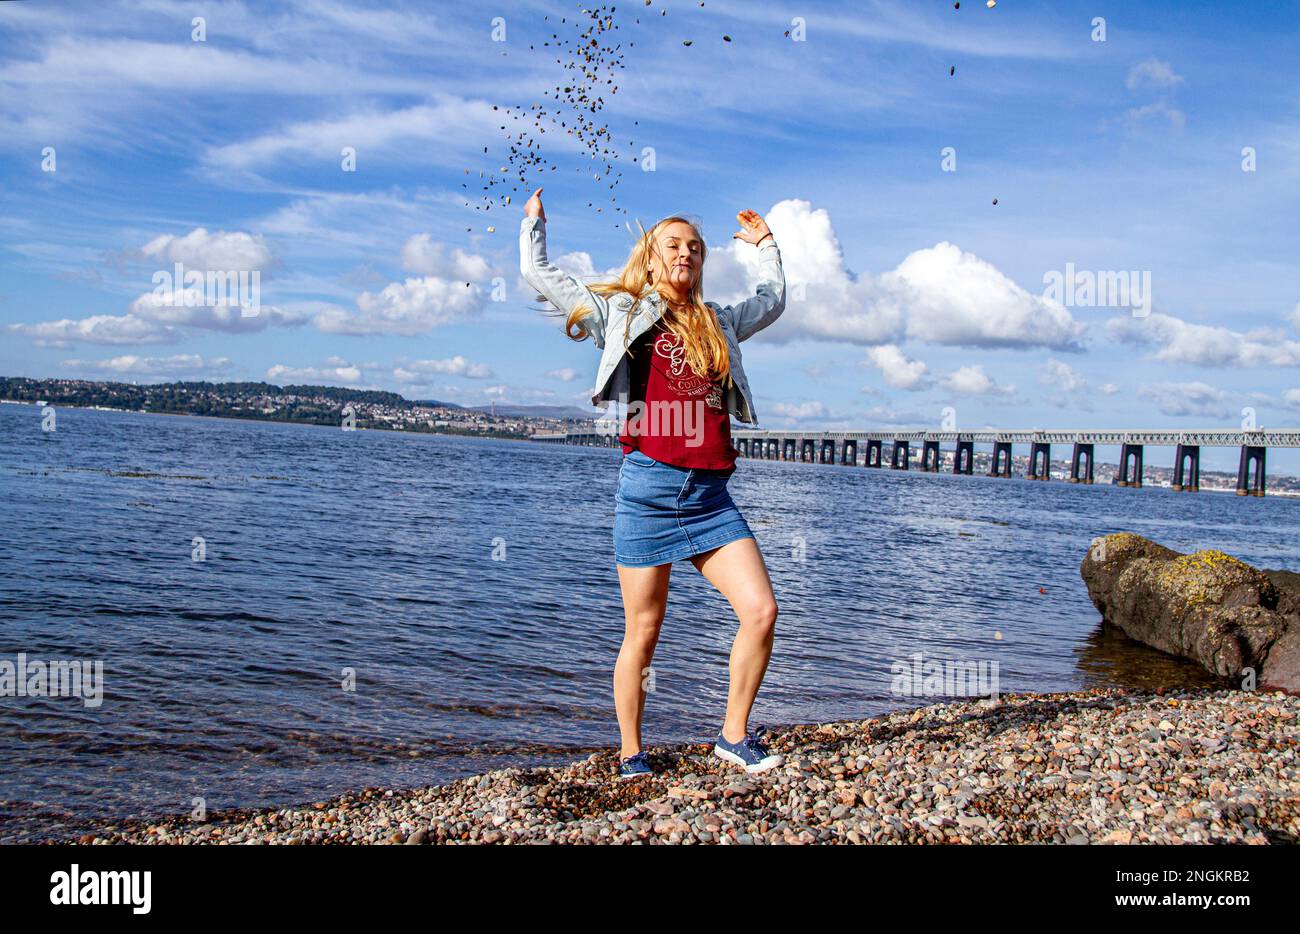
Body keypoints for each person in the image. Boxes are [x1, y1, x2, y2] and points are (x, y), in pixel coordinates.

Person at [519, 188, 787, 777]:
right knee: (643, 630)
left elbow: (772, 301)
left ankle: (733, 736)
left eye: (694, 247)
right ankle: (631, 753)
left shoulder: (718, 322)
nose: (685, 253)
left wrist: (766, 245)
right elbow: (541, 276)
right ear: (651, 255)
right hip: (650, 490)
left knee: (761, 610)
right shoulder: (622, 312)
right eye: (673, 245)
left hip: (712, 496)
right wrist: (534, 226)